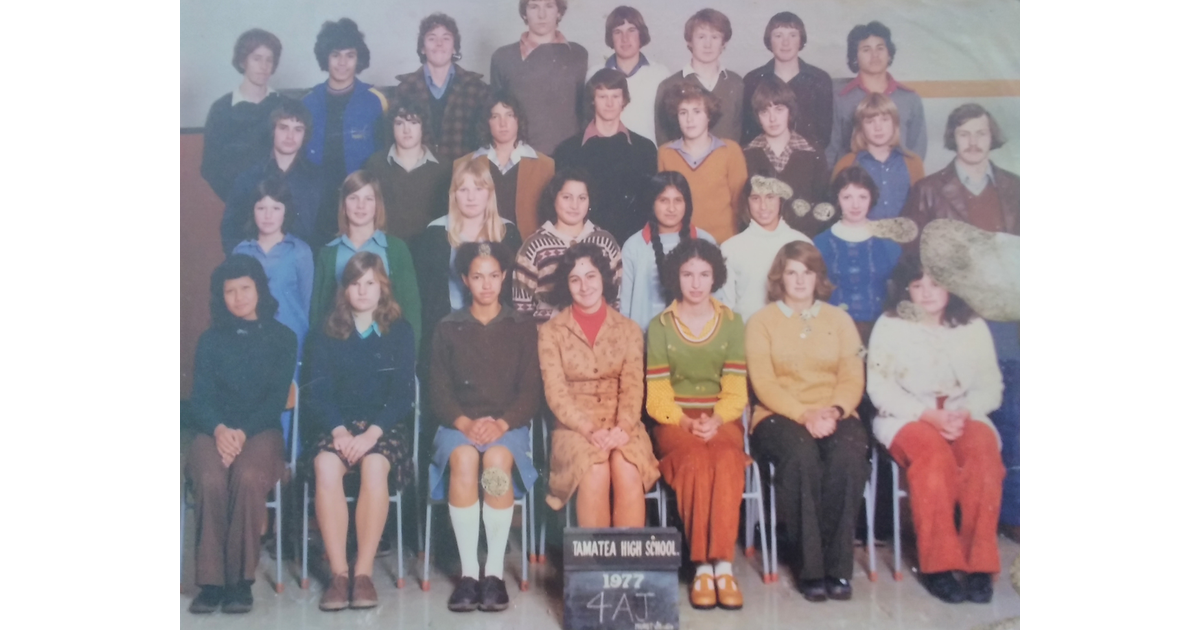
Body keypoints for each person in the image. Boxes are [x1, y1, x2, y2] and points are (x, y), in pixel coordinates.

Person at [900, 102, 1020, 537]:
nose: (973, 142)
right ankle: (953, 516)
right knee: (950, 415)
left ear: (993, 138)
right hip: (950, 319)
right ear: (953, 138)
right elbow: (912, 257)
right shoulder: (930, 189)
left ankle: (1007, 517)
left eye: (981, 134)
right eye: (964, 133)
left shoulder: (1016, 188)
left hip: (1004, 320)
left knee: (1005, 415)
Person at [866, 252, 1005, 604]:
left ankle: (979, 566)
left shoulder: (971, 326)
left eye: (936, 283)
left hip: (963, 414)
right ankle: (938, 566)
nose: (926, 293)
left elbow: (991, 385)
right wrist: (927, 416)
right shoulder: (891, 323)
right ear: (905, 290)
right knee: (933, 459)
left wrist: (965, 413)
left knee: (984, 458)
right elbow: (879, 388)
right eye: (917, 285)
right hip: (907, 416)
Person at [744, 241, 868, 603]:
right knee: (801, 457)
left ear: (818, 277)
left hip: (834, 412)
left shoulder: (840, 320)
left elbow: (852, 375)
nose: (799, 280)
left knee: (848, 454)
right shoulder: (761, 322)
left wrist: (835, 410)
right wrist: (803, 414)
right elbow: (763, 382)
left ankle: (838, 568)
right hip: (778, 414)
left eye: (807, 272)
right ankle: (810, 568)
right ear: (779, 277)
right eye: (792, 272)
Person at [428, 242, 542, 613]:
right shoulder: (449, 328)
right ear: (464, 280)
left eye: (494, 275)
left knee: (495, 462)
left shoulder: (521, 327)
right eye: (477, 276)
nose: (486, 284)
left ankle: (493, 572)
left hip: (505, 426)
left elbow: (530, 390)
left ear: (504, 277)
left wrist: (503, 423)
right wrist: (463, 422)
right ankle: (468, 574)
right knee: (462, 459)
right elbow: (438, 390)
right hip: (458, 425)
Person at [186, 255, 296, 614]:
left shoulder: (283, 338)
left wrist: (241, 434)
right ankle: (211, 582)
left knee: (247, 476)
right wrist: (220, 430)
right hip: (211, 429)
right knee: (209, 477)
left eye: (245, 288)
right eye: (229, 291)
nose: (238, 297)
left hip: (260, 431)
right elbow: (200, 398)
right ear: (222, 297)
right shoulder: (209, 340)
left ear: (259, 290)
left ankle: (239, 581)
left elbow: (274, 400)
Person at [308, 251, 417, 611]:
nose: (363, 290)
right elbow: (317, 390)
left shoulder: (399, 330)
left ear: (383, 286)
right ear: (345, 289)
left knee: (373, 466)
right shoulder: (326, 331)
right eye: (356, 283)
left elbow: (403, 393)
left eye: (370, 282)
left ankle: (363, 573)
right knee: (325, 466)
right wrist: (339, 431)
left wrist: (372, 434)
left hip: (383, 427)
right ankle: (339, 574)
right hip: (338, 425)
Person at [645, 239, 749, 610]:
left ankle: (724, 565)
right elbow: (657, 397)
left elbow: (736, 389)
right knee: (694, 463)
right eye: (687, 274)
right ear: (676, 277)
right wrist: (687, 423)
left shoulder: (733, 324)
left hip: (721, 417)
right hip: (675, 420)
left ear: (714, 277)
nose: (695, 283)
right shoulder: (659, 327)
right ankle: (702, 567)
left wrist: (718, 419)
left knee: (725, 460)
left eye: (704, 274)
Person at [539, 243, 660, 524]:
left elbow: (632, 387)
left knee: (626, 465)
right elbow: (555, 392)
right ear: (566, 285)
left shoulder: (629, 329)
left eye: (591, 276)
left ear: (603, 278)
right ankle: (596, 566)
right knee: (595, 468)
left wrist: (623, 428)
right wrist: (588, 428)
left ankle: (629, 564)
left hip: (623, 423)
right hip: (574, 428)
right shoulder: (550, 332)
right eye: (575, 279)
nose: (584, 286)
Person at [413, 156, 523, 370]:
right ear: (454, 195)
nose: (471, 197)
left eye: (479, 189)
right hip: (449, 327)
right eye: (463, 190)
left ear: (490, 193)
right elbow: (425, 295)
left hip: (496, 329)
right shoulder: (435, 233)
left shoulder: (506, 232)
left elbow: (514, 292)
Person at [230, 176, 314, 441]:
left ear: (286, 211)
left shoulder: (299, 251)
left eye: (276, 208)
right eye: (261, 208)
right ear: (252, 211)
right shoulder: (241, 252)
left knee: (288, 402)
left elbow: (307, 300)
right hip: (252, 341)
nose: (268, 216)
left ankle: (289, 467)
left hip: (291, 341)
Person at [310, 171, 422, 343]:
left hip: (386, 344)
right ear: (344, 205)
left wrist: (411, 357)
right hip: (339, 345)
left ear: (378, 205)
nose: (360, 206)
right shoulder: (328, 253)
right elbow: (318, 313)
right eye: (353, 198)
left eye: (368, 199)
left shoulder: (396, 249)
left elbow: (411, 308)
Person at [303, 18, 388, 243]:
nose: (342, 63)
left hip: (362, 203)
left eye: (349, 55)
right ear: (325, 58)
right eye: (335, 55)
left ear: (358, 58)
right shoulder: (308, 103)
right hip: (320, 205)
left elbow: (385, 157)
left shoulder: (375, 101)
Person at [553, 68, 657, 244]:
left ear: (624, 100)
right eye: (602, 96)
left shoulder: (645, 149)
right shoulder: (568, 150)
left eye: (615, 96)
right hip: (583, 245)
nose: (609, 103)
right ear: (592, 100)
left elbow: (650, 207)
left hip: (633, 245)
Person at [512, 168, 622, 323]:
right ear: (554, 198)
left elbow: (615, 300)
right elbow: (522, 308)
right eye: (567, 197)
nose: (574, 205)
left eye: (582, 198)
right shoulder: (534, 246)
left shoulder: (605, 242)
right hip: (549, 339)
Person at [814, 166, 906, 343]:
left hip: (880, 331)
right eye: (847, 197)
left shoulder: (888, 244)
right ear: (836, 200)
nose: (855, 205)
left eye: (862, 197)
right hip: (832, 331)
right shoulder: (820, 243)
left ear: (871, 198)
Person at [618, 172, 719, 331]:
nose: (671, 208)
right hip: (646, 342)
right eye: (663, 200)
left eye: (678, 200)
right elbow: (625, 308)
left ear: (687, 203)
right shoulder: (633, 246)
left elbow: (718, 299)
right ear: (652, 203)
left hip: (697, 339)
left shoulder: (705, 241)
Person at [221, 98, 323, 253]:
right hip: (256, 266)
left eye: (298, 129)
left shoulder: (318, 179)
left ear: (305, 135)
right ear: (272, 130)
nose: (290, 136)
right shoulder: (248, 178)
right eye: (283, 128)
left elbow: (325, 232)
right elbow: (231, 230)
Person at [490, 0, 588, 156]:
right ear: (524, 12)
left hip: (569, 158)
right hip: (520, 158)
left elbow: (585, 113)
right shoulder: (503, 58)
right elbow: (494, 115)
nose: (541, 15)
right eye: (534, 6)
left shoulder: (578, 55)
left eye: (549, 6)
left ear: (559, 11)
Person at [393, 13, 491, 163]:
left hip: (464, 177)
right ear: (422, 48)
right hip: (419, 176)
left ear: (454, 48)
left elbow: (485, 139)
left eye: (446, 38)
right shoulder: (405, 89)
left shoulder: (476, 88)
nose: (439, 43)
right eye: (432, 38)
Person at [657, 82, 748, 244]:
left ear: (709, 115)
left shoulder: (730, 151)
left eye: (697, 112)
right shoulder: (666, 153)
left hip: (724, 243)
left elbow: (739, 204)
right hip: (681, 244)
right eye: (683, 112)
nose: (689, 119)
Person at [456, 92, 555, 239]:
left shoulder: (544, 165)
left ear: (518, 119)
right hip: (480, 247)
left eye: (509, 115)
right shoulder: (464, 164)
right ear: (486, 122)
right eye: (495, 116)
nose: (503, 123)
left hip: (528, 249)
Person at [741, 77, 831, 237]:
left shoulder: (812, 152)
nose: (772, 118)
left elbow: (822, 204)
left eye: (779, 109)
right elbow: (743, 208)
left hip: (803, 239)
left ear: (790, 111)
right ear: (757, 116)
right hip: (760, 239)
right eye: (764, 111)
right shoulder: (746, 154)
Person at [201, 28, 284, 202]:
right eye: (257, 58)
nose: (264, 66)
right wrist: (238, 200)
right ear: (242, 61)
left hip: (281, 205)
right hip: (239, 207)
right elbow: (210, 168)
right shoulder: (221, 109)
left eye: (269, 60)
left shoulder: (284, 106)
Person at [828, 21, 926, 165]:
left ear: (889, 54)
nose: (875, 55)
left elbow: (917, 150)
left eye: (880, 48)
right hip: (853, 181)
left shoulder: (909, 98)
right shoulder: (841, 98)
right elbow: (832, 149)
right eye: (866, 49)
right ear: (855, 57)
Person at [720, 175, 813, 321]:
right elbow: (725, 306)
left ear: (780, 200)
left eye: (770, 197)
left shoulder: (801, 242)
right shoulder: (730, 248)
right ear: (747, 202)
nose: (763, 206)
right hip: (747, 334)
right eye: (755, 198)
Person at [363, 98, 453, 245]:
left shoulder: (443, 167)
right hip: (388, 247)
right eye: (399, 123)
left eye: (413, 122)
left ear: (423, 127)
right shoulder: (375, 164)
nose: (406, 130)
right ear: (391, 127)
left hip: (431, 247)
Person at [741, 12, 833, 151]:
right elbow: (747, 132)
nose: (785, 42)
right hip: (763, 160)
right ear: (769, 41)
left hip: (807, 160)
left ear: (801, 40)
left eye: (792, 35)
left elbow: (824, 135)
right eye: (778, 36)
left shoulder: (819, 79)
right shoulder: (752, 80)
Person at [653, 9, 743, 145]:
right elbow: (664, 140)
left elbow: (739, 136)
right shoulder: (669, 86)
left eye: (715, 37)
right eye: (701, 37)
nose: (708, 44)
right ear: (689, 41)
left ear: (723, 43)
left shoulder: (736, 83)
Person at [830, 93, 924, 220]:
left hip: (903, 237)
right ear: (860, 128)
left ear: (895, 124)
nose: (878, 127)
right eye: (870, 121)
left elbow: (921, 210)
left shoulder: (913, 162)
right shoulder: (846, 163)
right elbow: (836, 211)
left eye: (885, 120)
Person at [584, 6, 671, 144]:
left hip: (647, 156)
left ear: (641, 34)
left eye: (631, 30)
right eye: (618, 32)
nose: (625, 38)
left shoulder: (660, 74)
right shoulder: (595, 74)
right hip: (604, 154)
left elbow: (668, 126)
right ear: (610, 37)